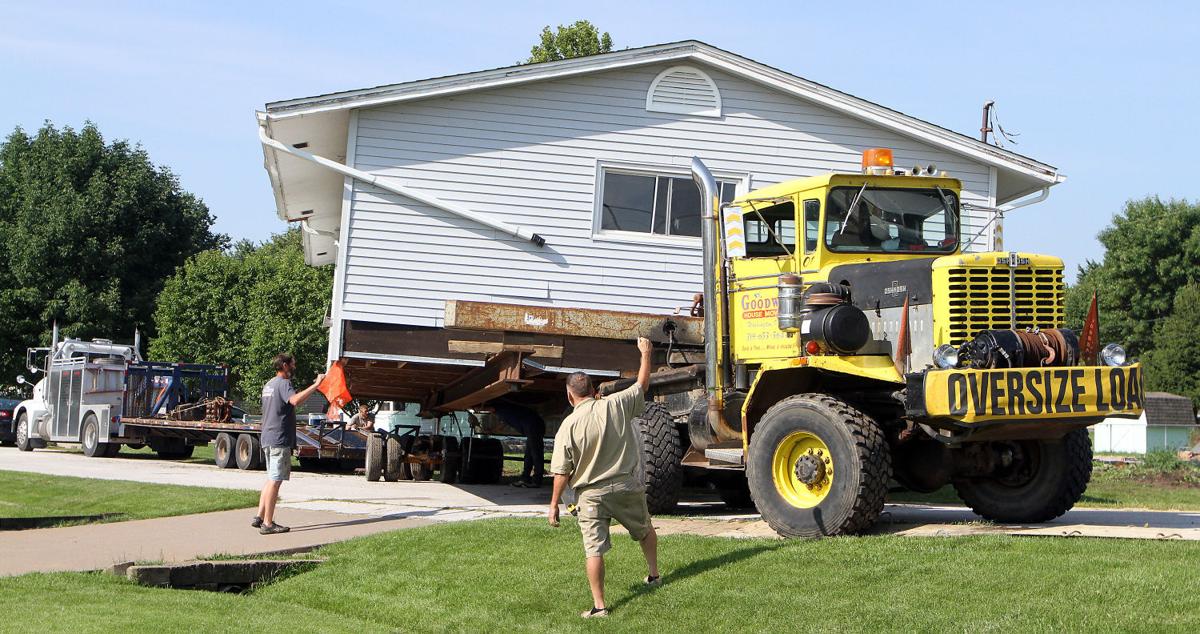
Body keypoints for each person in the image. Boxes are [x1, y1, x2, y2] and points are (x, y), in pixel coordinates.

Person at [548, 337, 659, 619]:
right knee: (644, 529)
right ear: (594, 389)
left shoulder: (568, 426)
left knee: (593, 549)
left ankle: (600, 606)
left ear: (569, 395)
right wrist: (646, 354)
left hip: (590, 495)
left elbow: (562, 472)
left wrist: (554, 506)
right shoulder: (615, 405)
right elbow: (642, 385)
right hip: (625, 484)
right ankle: (654, 575)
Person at [252, 354, 324, 535]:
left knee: (270, 478)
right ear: (284, 365)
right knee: (276, 481)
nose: (294, 367)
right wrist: (316, 385)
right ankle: (268, 524)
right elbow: (295, 401)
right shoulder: (284, 384)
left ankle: (259, 516)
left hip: (268, 436)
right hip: (279, 438)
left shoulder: (269, 384)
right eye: (293, 364)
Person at [491, 400, 546, 487]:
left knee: (536, 455)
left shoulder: (502, 412)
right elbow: (502, 425)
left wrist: (491, 430)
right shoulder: (505, 410)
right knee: (529, 455)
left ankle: (536, 481)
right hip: (533, 426)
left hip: (533, 427)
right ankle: (525, 479)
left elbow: (501, 426)